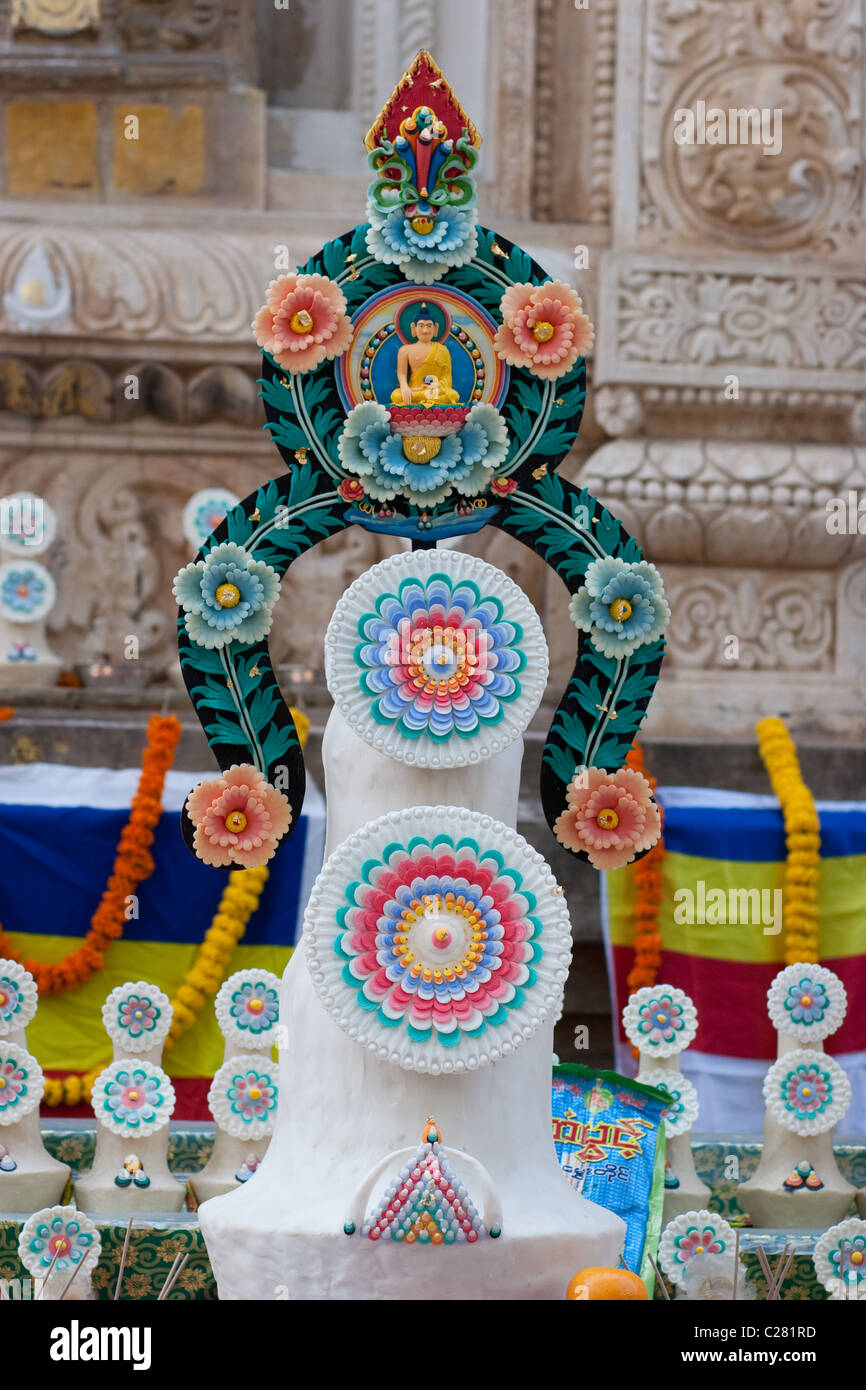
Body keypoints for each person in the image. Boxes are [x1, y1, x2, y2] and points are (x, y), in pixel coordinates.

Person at [391, 304, 460, 406]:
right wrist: (404, 387)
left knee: (454, 395)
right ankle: (418, 397)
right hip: (414, 390)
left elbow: (447, 378)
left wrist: (437, 385)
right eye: (421, 326)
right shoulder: (405, 350)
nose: (425, 330)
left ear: (435, 328)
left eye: (429, 326)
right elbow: (402, 374)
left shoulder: (443, 350)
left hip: (434, 391)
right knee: (396, 395)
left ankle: (425, 397)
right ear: (413, 328)